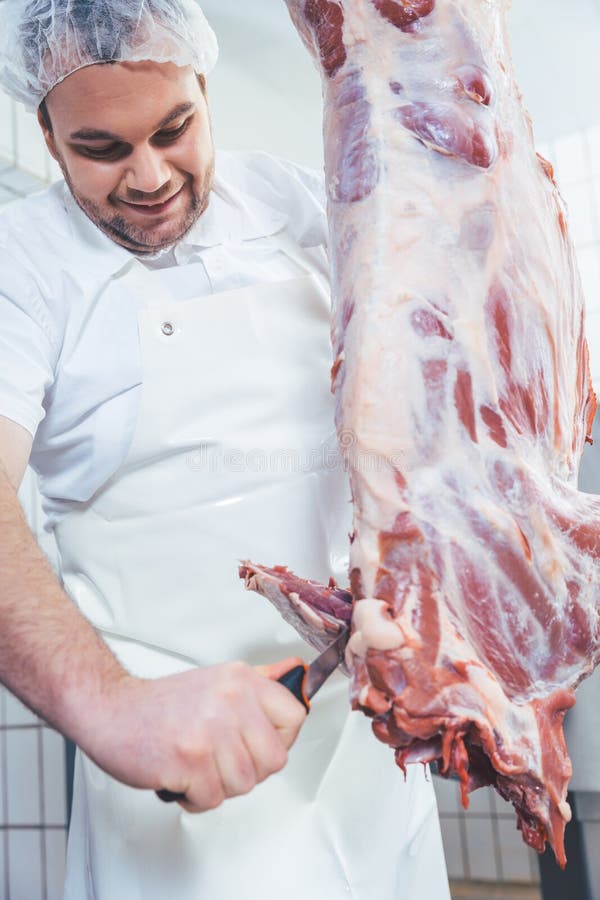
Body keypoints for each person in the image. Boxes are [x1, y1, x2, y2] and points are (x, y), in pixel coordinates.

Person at [0, 1, 450, 897]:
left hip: (371, 746)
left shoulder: (290, 198)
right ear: (47, 136)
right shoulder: (22, 265)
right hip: (185, 770)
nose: (150, 176)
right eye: (102, 149)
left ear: (204, 88)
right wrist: (112, 711)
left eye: (176, 129)